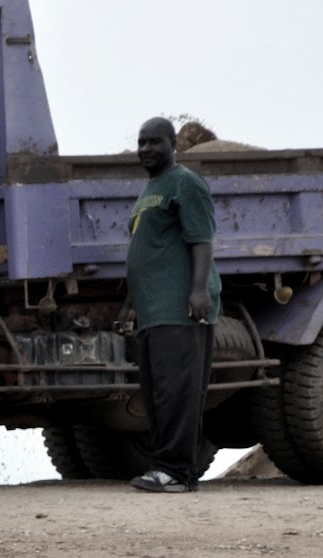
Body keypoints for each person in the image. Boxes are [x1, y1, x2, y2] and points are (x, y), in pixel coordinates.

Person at [117, 116, 222, 493]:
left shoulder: (186, 183)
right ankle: (168, 469)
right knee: (157, 393)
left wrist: (198, 292)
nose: (146, 149)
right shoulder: (150, 190)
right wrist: (131, 305)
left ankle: (175, 472)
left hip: (180, 307)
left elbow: (201, 240)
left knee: (178, 392)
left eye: (154, 142)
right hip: (152, 310)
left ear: (172, 144)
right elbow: (144, 253)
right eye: (141, 143)